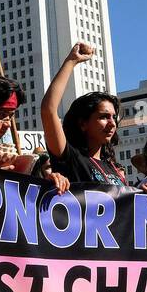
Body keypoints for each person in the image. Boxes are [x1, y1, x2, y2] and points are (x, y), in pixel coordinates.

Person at [40, 43, 127, 187]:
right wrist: (71, 61)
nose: (112, 123)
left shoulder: (115, 169)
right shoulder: (70, 157)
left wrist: (143, 192)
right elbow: (48, 110)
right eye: (104, 117)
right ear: (83, 124)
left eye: (113, 117)